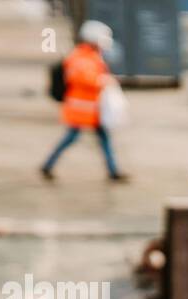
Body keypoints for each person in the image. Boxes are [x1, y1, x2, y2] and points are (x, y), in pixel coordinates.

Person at [40, 20, 126, 182]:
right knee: (71, 138)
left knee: (102, 138)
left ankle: (113, 171)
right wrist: (103, 81)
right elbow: (83, 79)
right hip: (82, 109)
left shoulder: (90, 56)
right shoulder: (80, 57)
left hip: (92, 109)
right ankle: (48, 165)